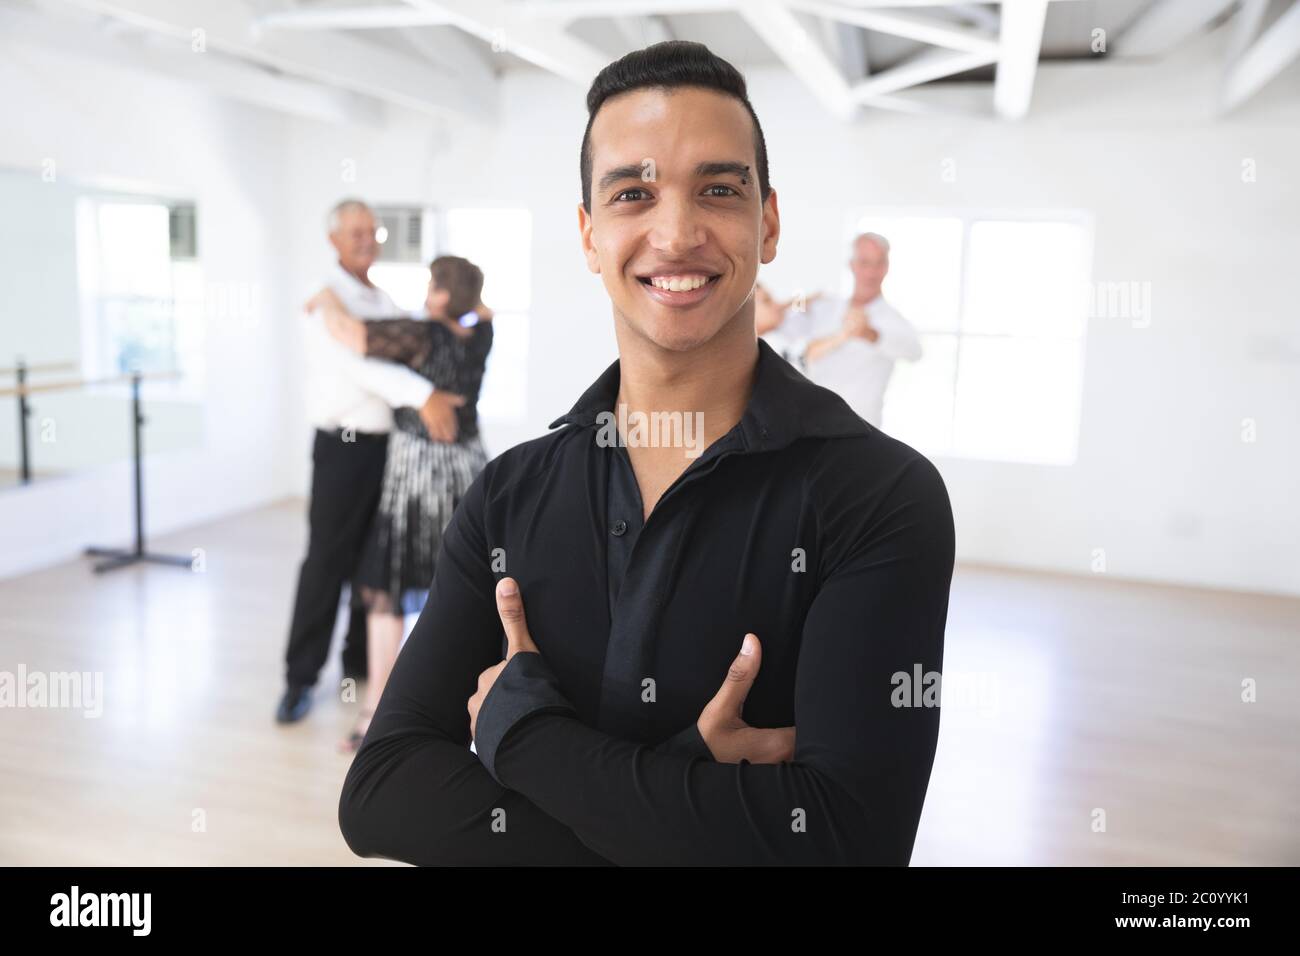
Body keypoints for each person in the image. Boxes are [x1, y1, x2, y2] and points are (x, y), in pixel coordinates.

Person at [339, 41, 953, 865]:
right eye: (634, 192)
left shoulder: (879, 497)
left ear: (767, 223)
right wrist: (685, 792)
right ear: (590, 236)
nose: (676, 231)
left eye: (719, 189)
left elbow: (849, 841)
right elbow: (379, 797)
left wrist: (521, 737)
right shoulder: (509, 495)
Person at [275, 200, 465, 726]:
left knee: (372, 561)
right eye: (354, 232)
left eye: (371, 231)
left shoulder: (377, 298)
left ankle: (356, 666)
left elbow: (409, 339)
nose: (365, 239)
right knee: (325, 563)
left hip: (386, 448)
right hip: (343, 448)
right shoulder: (324, 298)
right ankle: (298, 679)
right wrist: (423, 394)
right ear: (334, 240)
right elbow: (358, 365)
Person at [308, 256, 494, 751]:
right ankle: (465, 711)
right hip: (470, 469)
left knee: (387, 587)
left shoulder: (419, 334)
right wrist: (466, 303)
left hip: (418, 474)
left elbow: (349, 333)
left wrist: (325, 296)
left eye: (431, 285)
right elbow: (483, 310)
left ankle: (374, 714)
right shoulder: (481, 334)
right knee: (463, 588)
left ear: (437, 295)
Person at [777, 232, 922, 429]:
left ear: (887, 267)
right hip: (811, 423)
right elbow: (780, 323)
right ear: (851, 265)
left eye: (879, 263)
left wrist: (870, 334)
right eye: (864, 263)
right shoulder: (826, 306)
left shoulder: (892, 320)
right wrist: (801, 299)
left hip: (860, 427)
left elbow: (914, 351)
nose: (872, 272)